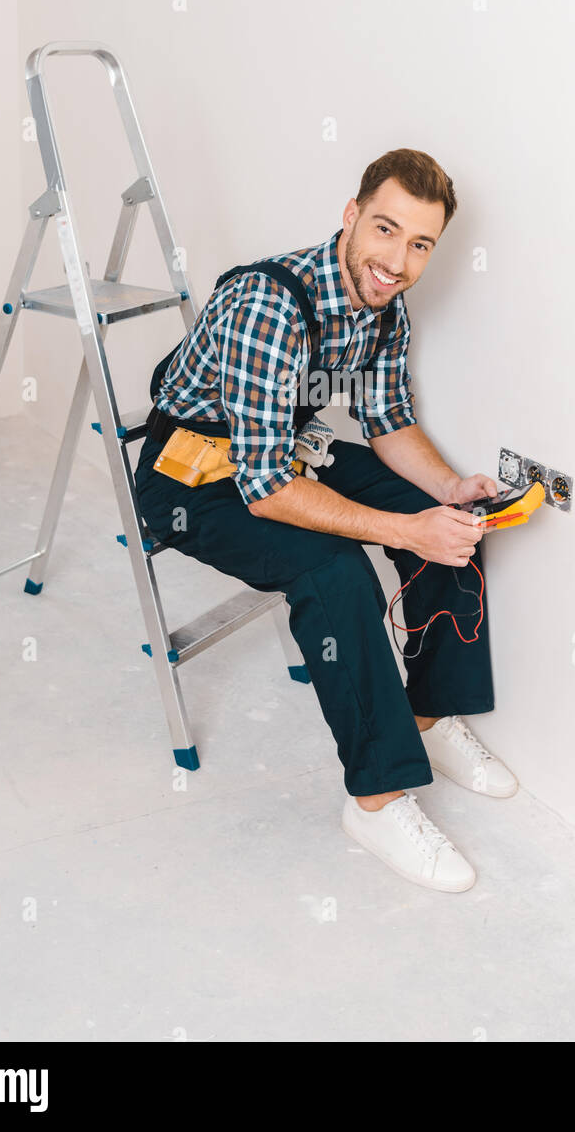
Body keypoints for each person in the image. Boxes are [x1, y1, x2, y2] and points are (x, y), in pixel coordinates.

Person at [134, 148, 517, 893]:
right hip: (193, 476)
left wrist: (445, 488)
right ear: (349, 216)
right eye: (385, 229)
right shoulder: (266, 303)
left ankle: (429, 719)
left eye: (419, 244)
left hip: (276, 453)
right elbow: (267, 489)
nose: (397, 259)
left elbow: (387, 420)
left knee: (448, 521)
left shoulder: (382, 304)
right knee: (335, 570)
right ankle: (375, 800)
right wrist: (398, 532)